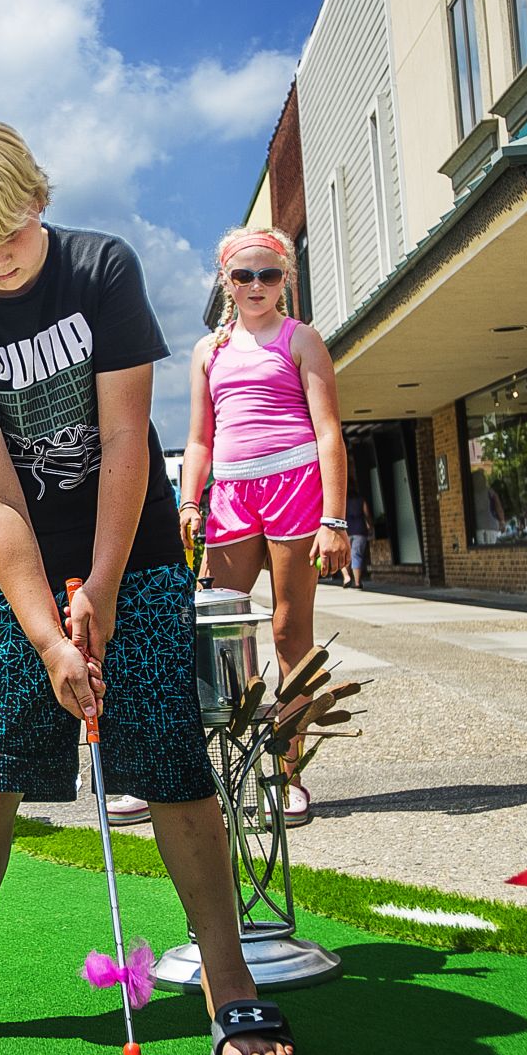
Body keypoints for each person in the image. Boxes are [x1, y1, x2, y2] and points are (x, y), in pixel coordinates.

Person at [0, 114, 293, 1055]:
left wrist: (100, 591)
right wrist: (46, 635)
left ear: (37, 195)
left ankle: (226, 982)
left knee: (167, 754)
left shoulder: (101, 269)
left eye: (7, 235)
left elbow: (121, 440)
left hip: (134, 547)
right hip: (8, 571)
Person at [176, 226, 350, 829]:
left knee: (288, 632)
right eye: (243, 275)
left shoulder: (302, 340)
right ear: (226, 281)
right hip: (229, 492)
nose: (256, 286)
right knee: (218, 632)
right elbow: (200, 439)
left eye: (268, 275)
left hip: (296, 488)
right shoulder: (209, 351)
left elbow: (329, 431)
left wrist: (334, 518)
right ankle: (225, 770)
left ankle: (288, 775)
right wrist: (188, 503)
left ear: (286, 281)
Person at [344, 487, 372, 589]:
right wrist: (370, 525)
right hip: (360, 530)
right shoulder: (361, 500)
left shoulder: (343, 501)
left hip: (346, 530)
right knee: (357, 555)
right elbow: (367, 514)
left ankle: (346, 577)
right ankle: (357, 582)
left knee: (344, 556)